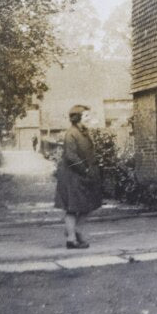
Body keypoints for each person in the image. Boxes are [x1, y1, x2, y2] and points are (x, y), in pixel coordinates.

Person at [54, 104, 103, 249]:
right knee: (72, 207)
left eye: (89, 116)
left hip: (84, 174)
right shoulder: (71, 133)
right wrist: (85, 169)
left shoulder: (84, 132)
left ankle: (75, 230)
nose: (89, 119)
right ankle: (71, 239)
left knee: (88, 205)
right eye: (86, 116)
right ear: (78, 118)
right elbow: (71, 156)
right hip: (72, 175)